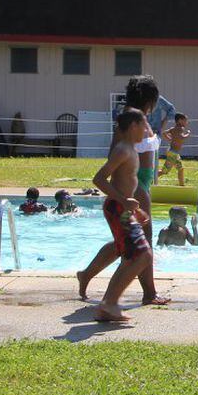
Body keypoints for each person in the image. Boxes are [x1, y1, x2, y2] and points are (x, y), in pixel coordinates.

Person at [76, 77, 171, 306]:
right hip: (134, 185)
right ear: (150, 97)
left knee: (123, 243)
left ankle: (87, 274)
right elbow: (116, 153)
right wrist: (125, 191)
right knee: (141, 242)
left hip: (142, 181)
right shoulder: (130, 118)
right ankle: (148, 294)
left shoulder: (140, 117)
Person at [82, 108, 154, 322]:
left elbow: (125, 184)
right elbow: (99, 179)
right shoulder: (123, 150)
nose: (147, 130)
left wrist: (135, 208)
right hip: (117, 209)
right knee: (142, 255)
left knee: (136, 256)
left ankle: (109, 304)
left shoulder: (130, 149)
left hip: (123, 209)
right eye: (144, 125)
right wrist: (124, 202)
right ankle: (109, 303)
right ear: (133, 126)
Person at [157, 113, 190, 186]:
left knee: (181, 169)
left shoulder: (172, 129)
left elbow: (164, 133)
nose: (187, 122)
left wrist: (169, 138)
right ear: (180, 120)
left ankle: (182, 185)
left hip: (173, 152)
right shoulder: (181, 129)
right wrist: (188, 134)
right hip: (173, 153)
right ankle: (151, 178)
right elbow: (182, 137)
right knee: (164, 171)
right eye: (185, 120)